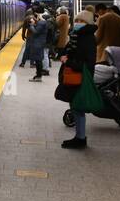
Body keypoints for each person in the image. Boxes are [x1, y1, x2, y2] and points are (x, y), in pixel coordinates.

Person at [57, 9, 97, 149]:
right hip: (74, 77)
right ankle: (79, 137)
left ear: (88, 23)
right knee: (76, 108)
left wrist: (67, 61)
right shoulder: (77, 36)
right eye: (77, 20)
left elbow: (85, 64)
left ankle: (80, 139)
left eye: (82, 21)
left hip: (79, 78)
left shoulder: (87, 39)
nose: (78, 23)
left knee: (78, 108)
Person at [24, 12, 50, 81]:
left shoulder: (42, 23)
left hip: (38, 44)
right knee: (38, 60)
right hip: (39, 43)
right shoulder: (43, 23)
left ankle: (39, 76)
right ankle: (38, 75)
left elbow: (35, 32)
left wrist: (32, 25)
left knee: (38, 60)